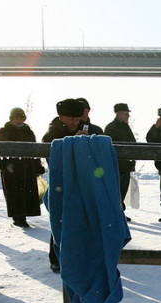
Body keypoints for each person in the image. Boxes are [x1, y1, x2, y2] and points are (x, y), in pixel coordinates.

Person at [42, 98, 90, 272]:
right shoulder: (51, 134)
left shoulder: (82, 128)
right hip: (60, 184)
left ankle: (76, 255)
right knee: (59, 220)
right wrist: (71, 142)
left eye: (77, 119)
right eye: (71, 119)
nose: (75, 123)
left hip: (78, 183)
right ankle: (56, 257)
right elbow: (53, 157)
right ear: (61, 117)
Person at [0, 107, 44, 228]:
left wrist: (38, 166)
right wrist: (6, 164)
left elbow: (34, 149)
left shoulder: (28, 131)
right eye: (16, 118)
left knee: (27, 192)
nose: (19, 120)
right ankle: (18, 217)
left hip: (28, 167)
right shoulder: (4, 131)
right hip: (12, 168)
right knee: (15, 193)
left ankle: (25, 214)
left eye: (21, 118)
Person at [105, 103, 137, 221]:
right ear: (119, 113)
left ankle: (119, 213)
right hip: (116, 166)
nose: (128, 116)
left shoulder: (125, 127)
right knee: (116, 191)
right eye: (126, 113)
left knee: (122, 191)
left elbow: (132, 142)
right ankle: (115, 214)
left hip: (126, 166)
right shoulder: (111, 128)